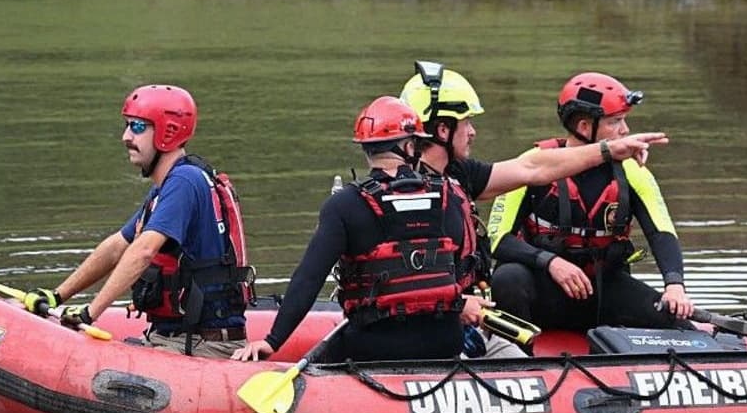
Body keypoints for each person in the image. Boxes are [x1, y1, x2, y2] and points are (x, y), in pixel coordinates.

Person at [397, 62, 670, 354]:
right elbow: (407, 277)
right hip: (431, 321)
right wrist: (458, 303)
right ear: (442, 129)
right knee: (508, 279)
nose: (473, 132)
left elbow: (533, 167)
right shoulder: (402, 195)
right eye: (467, 123)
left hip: (460, 314)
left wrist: (610, 150)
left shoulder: (462, 175)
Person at [231, 96, 477, 362]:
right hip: (444, 343)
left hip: (375, 346)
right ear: (409, 146)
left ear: (367, 149)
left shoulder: (344, 205)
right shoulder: (448, 197)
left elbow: (309, 279)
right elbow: (461, 273)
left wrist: (273, 340)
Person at [22, 84, 253, 358]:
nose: (125, 136)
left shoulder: (184, 183)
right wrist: (58, 296)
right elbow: (118, 245)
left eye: (138, 127)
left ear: (167, 132)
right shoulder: (168, 186)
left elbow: (143, 251)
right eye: (127, 125)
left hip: (203, 346)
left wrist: (90, 312)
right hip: (177, 338)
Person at [486, 72, 694, 334]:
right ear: (585, 127)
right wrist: (550, 262)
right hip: (542, 291)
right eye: (615, 122)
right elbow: (497, 239)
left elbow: (661, 232)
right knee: (507, 278)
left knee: (680, 326)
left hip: (604, 290)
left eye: (624, 121)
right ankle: (515, 362)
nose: (625, 131)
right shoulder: (532, 164)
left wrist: (674, 285)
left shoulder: (633, 170)